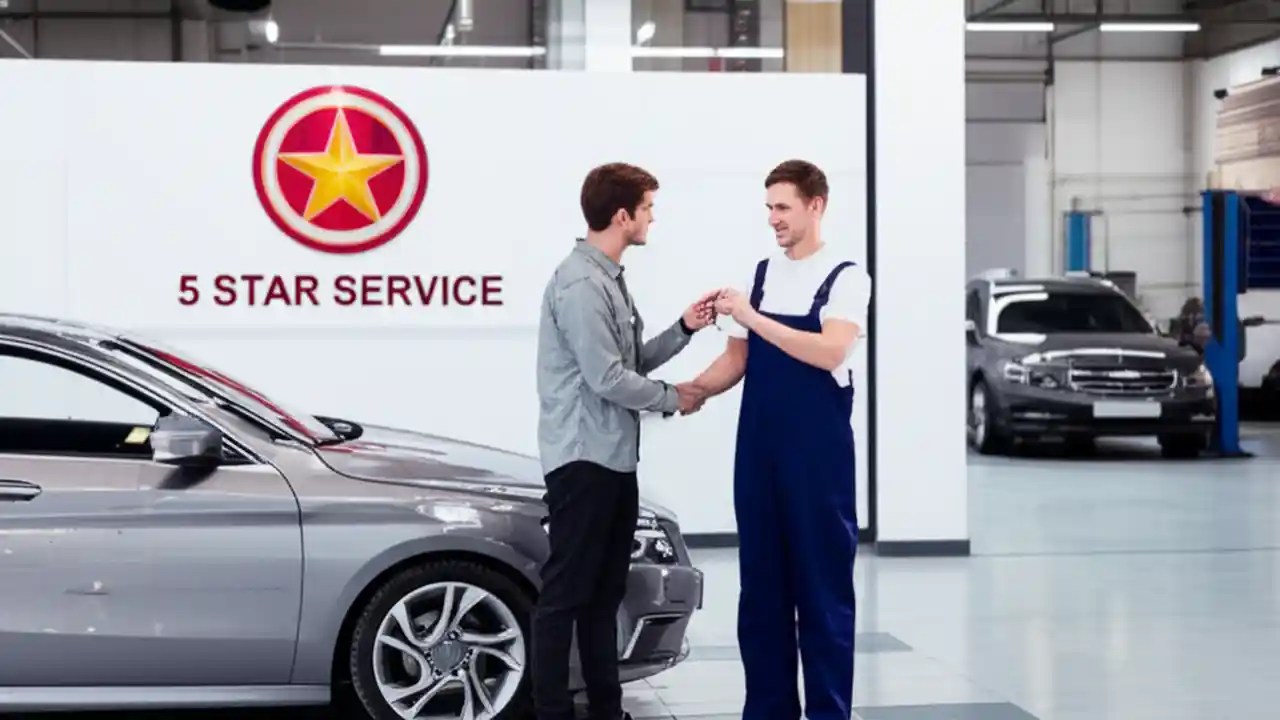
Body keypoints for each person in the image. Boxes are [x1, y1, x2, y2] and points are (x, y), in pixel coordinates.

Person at [684, 159, 870, 720]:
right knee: (761, 596)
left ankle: (829, 713)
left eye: (783, 207)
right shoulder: (761, 274)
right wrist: (687, 392)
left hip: (818, 464)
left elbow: (830, 351)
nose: (773, 218)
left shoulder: (846, 277)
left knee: (822, 595)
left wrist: (751, 315)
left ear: (816, 205)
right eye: (768, 208)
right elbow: (737, 359)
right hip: (759, 457)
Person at [532, 161, 716, 720]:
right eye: (647, 209)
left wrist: (685, 328)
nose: (651, 219)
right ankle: (552, 713)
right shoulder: (581, 285)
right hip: (583, 463)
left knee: (603, 595)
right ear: (621, 216)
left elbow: (628, 362)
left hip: (612, 461)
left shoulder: (608, 278)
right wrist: (674, 398)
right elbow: (607, 379)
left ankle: (606, 711)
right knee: (564, 597)